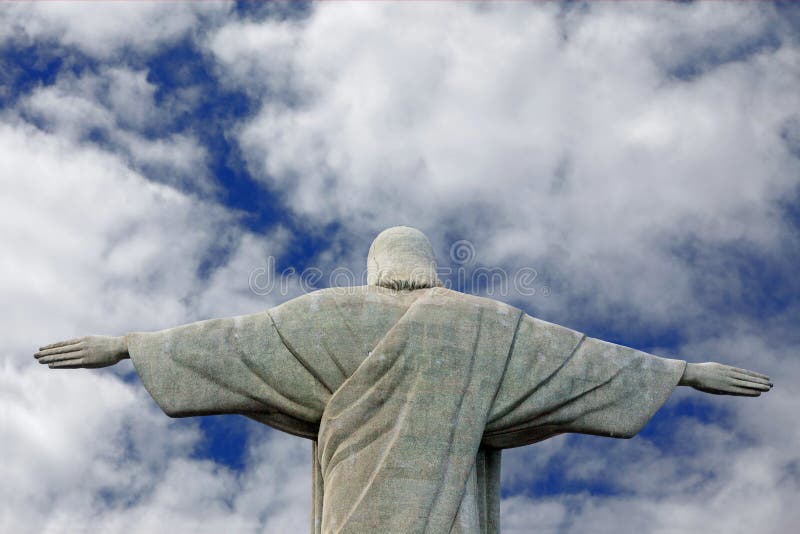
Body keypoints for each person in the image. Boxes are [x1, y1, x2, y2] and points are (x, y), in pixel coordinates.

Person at [34, 226, 772, 534]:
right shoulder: (484, 322)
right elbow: (581, 361)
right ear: (429, 264)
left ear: (376, 266)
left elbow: (233, 345)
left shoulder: (322, 314)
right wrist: (680, 373)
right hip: (447, 509)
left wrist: (131, 346)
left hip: (353, 502)